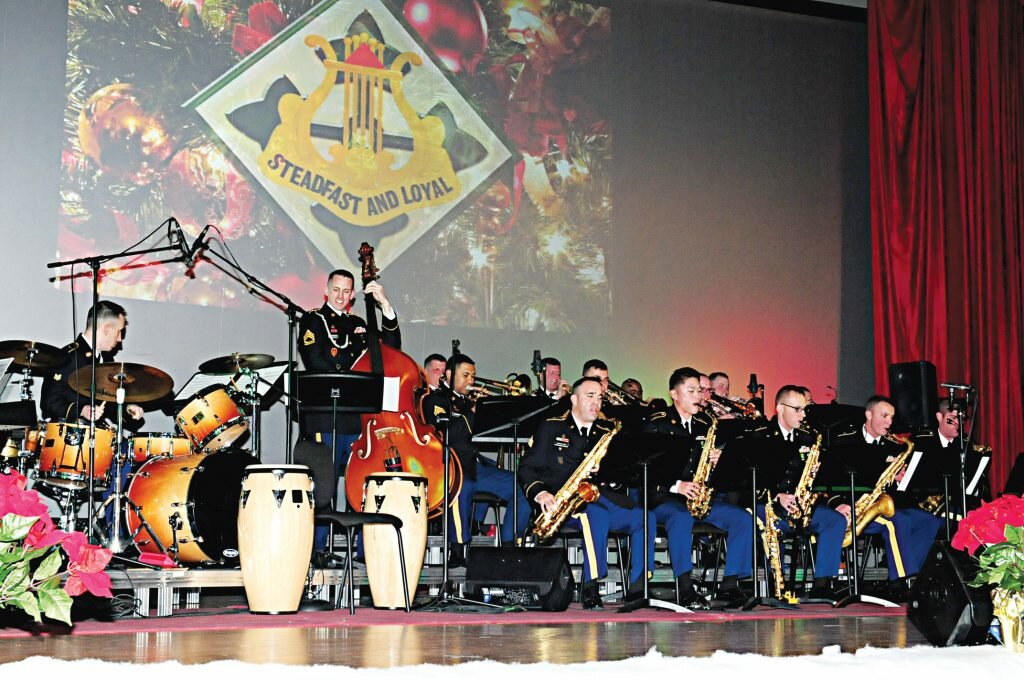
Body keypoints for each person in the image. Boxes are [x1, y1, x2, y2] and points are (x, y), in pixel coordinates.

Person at [519, 376, 655, 610]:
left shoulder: (606, 431)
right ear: (573, 400)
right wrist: (540, 493)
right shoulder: (551, 426)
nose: (597, 402)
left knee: (646, 518)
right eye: (590, 396)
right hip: (560, 502)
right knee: (596, 515)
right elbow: (527, 467)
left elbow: (626, 474)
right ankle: (591, 586)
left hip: (598, 496)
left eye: (600, 397)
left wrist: (607, 470)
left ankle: (638, 586)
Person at [297, 269, 400, 548]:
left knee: (359, 482)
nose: (341, 296)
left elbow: (390, 349)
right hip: (327, 416)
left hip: (356, 419)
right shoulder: (313, 320)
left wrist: (385, 307)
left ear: (353, 295)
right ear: (327, 291)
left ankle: (361, 548)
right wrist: (354, 365)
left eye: (346, 291)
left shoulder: (359, 322)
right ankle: (318, 549)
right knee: (324, 483)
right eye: (337, 290)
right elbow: (316, 360)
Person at [642, 367, 753, 608]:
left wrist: (717, 462)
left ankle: (730, 585)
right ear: (674, 394)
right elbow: (645, 472)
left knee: (742, 519)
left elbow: (713, 472)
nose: (698, 396)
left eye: (699, 391)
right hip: (662, 497)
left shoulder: (705, 423)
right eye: (691, 391)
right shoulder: (657, 424)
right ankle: (684, 588)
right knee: (681, 517)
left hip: (697, 497)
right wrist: (677, 486)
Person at [830, 395, 943, 601]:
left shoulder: (894, 446)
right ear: (868, 414)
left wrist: (901, 480)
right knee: (897, 521)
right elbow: (830, 478)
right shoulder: (844, 441)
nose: (889, 422)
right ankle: (897, 582)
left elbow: (901, 493)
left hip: (884, 505)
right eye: (884, 416)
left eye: (891, 417)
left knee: (930, 520)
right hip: (855, 508)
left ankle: (915, 575)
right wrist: (839, 503)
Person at [422, 354, 530, 566]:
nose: (471, 381)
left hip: (474, 465)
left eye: (473, 375)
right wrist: (472, 410)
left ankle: (510, 543)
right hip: (449, 465)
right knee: (462, 486)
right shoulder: (435, 400)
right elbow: (448, 434)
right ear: (450, 375)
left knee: (522, 484)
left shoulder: (467, 402)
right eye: (466, 375)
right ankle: (459, 548)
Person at [749, 385, 847, 601]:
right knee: (772, 526)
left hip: (799, 505)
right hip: (767, 504)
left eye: (804, 410)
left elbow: (822, 478)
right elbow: (748, 480)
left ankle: (822, 584)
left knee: (835, 521)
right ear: (779, 408)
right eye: (797, 409)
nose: (803, 415)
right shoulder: (759, 437)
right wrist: (776, 496)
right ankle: (778, 586)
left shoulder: (808, 438)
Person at [41, 300, 144, 426]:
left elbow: (108, 403)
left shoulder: (106, 360)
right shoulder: (67, 357)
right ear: (106, 328)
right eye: (119, 331)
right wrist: (82, 411)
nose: (120, 338)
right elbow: (48, 403)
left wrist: (128, 408)